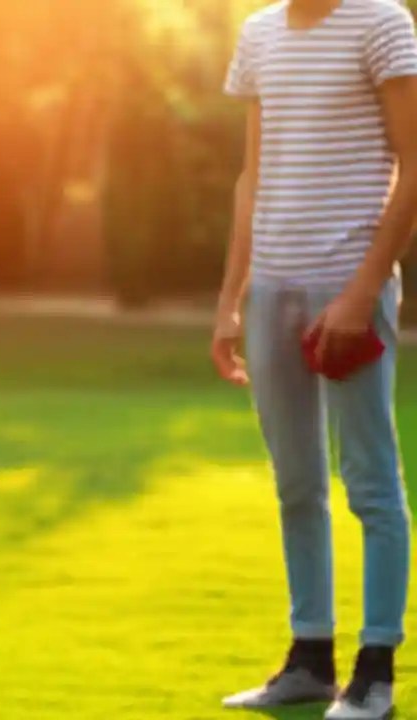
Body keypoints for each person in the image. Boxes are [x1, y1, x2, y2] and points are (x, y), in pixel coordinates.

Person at [214, 0, 417, 718]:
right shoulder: (258, 33)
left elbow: (414, 165)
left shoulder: (384, 22)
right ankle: (309, 660)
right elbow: (251, 178)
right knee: (296, 483)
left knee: (370, 482)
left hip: (346, 289)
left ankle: (377, 674)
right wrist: (230, 298)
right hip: (273, 289)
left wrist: (363, 292)